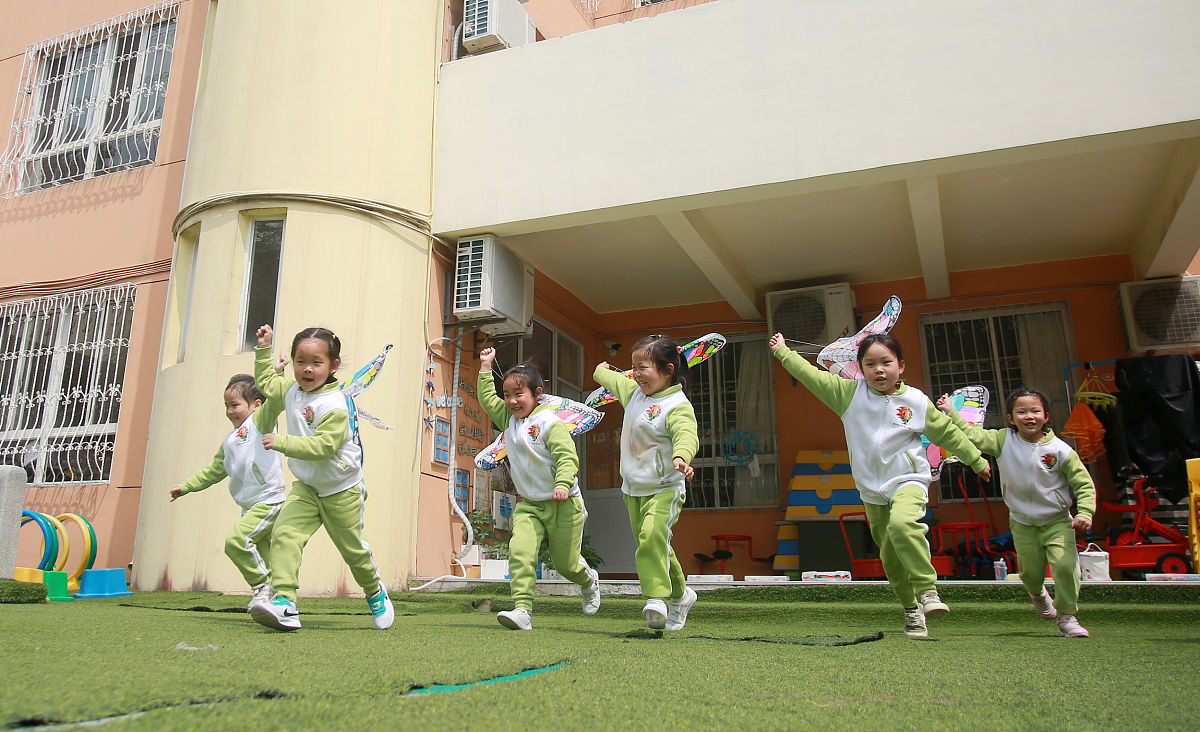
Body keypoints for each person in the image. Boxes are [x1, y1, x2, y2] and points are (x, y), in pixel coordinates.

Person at [769, 332, 991, 638]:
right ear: (861, 369)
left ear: (901, 365)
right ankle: (911, 610)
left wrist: (975, 460)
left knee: (903, 525)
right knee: (889, 555)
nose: (879, 370)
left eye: (886, 362)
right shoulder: (848, 395)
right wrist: (783, 352)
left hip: (909, 479)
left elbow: (947, 434)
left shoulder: (916, 401)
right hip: (871, 490)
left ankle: (928, 592)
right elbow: (811, 376)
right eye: (870, 364)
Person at [248, 324, 393, 632]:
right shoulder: (291, 391)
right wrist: (263, 349)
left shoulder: (335, 404)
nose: (307, 369)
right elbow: (267, 383)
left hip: (342, 491)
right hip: (307, 488)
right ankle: (284, 602)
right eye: (300, 361)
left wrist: (282, 442)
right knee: (285, 535)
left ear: (333, 366)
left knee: (353, 551)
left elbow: (323, 447)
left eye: (316, 362)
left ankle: (375, 592)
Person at [937, 386, 1095, 638]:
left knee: (1066, 567)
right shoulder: (1003, 440)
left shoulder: (1061, 450)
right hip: (1022, 523)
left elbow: (1083, 484)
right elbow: (972, 435)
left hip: (1057, 521)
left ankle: (1067, 617)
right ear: (1011, 418)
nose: (1029, 417)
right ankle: (1037, 593)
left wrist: (1084, 512)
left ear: (1046, 416)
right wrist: (950, 411)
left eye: (1035, 411)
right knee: (1030, 574)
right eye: (1021, 412)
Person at [477, 348, 601, 630]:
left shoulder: (550, 423)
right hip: (530, 505)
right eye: (507, 395)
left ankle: (588, 580)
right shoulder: (508, 419)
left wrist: (562, 484)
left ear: (537, 394)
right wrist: (485, 367)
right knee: (520, 551)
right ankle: (522, 610)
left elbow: (567, 458)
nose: (512, 401)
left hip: (563, 503)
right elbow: (487, 398)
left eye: (518, 394)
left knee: (566, 565)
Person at [592, 334, 699, 631]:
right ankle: (682, 595)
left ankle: (656, 598)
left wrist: (682, 456)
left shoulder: (677, 405)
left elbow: (687, 434)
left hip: (665, 488)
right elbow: (611, 379)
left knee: (652, 537)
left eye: (643, 367)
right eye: (633, 367)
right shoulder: (634, 393)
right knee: (655, 544)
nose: (636, 374)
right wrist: (600, 370)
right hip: (633, 489)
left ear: (668, 369)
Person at [170, 374, 286, 610]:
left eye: (235, 405)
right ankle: (278, 600)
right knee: (265, 556)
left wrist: (277, 374)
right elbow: (214, 471)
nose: (230, 411)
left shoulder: (260, 423)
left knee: (236, 541)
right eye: (226, 406)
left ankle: (263, 587)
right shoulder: (230, 441)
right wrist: (186, 487)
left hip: (268, 500)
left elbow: (275, 401)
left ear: (256, 405)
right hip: (249, 507)